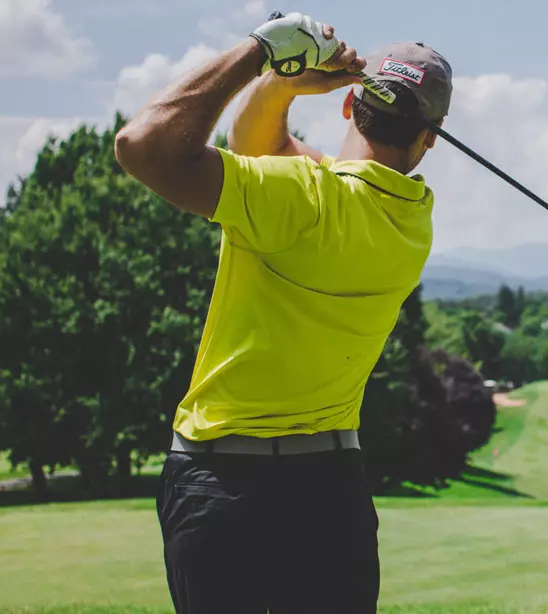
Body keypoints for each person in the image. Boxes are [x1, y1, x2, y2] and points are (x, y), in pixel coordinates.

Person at [114, 11, 453, 614]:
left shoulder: (297, 197)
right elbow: (266, 148)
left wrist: (266, 53)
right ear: (431, 137)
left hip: (218, 481)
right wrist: (279, 85)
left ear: (350, 104)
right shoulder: (411, 223)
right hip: (332, 490)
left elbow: (142, 146)